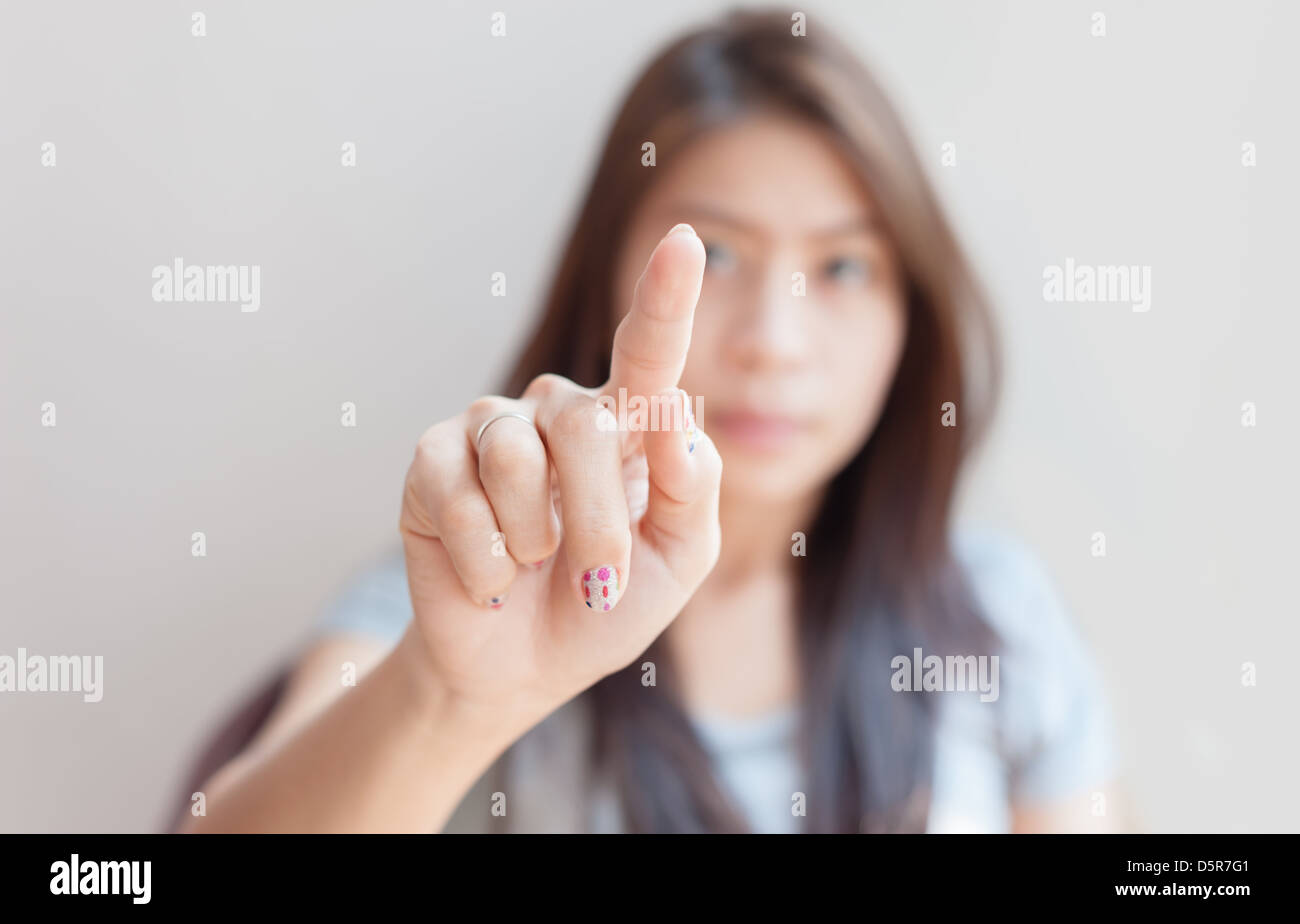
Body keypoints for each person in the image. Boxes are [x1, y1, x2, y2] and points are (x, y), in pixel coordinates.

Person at [181, 9, 1123, 834]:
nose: (775, 342)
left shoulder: (997, 616)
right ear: (608, 283)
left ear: (910, 319)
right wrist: (446, 698)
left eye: (844, 269)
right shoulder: (472, 582)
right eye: (714, 253)